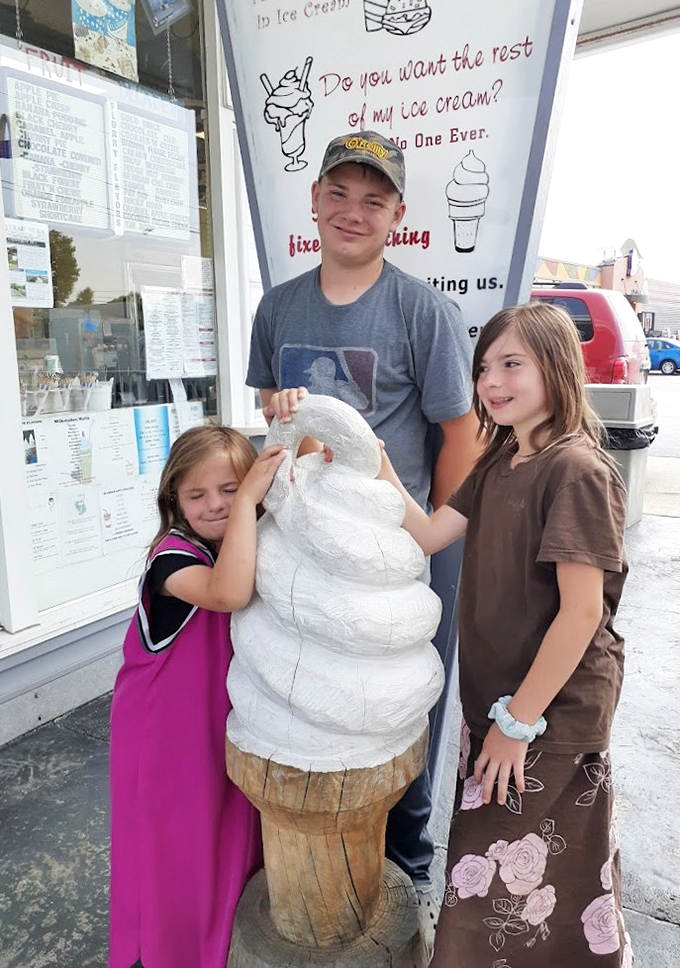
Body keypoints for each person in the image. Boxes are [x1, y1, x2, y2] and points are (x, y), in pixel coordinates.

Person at [247, 129, 479, 941]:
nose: (353, 212)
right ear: (313, 200)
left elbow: (461, 436)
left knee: (402, 704)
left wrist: (427, 541)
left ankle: (408, 856)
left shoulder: (423, 310)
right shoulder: (278, 305)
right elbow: (274, 416)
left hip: (396, 553)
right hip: (301, 546)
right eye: (338, 194)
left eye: (373, 200)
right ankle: (300, 850)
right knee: (301, 701)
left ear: (399, 217)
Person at [378, 302, 631, 967]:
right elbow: (434, 532)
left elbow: (581, 613)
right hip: (500, 707)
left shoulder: (575, 470)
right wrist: (377, 466)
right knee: (516, 874)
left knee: (514, 875)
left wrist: (516, 724)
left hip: (548, 713)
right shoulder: (499, 459)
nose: (492, 381)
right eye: (484, 367)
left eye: (511, 364)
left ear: (556, 366)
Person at [108, 426, 286, 968]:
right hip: (165, 733)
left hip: (216, 722)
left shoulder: (234, 543)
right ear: (175, 503)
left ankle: (215, 946)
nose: (215, 505)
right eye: (196, 495)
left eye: (230, 489)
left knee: (224, 835)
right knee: (175, 849)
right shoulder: (172, 558)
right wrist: (249, 499)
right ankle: (168, 952)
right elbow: (228, 593)